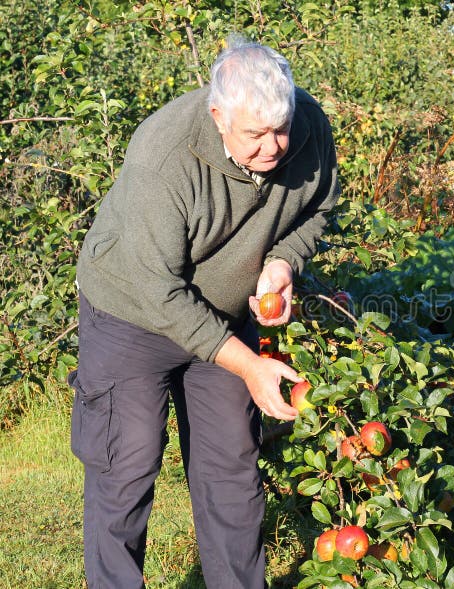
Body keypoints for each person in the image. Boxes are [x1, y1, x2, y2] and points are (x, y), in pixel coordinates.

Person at [69, 35, 339, 588]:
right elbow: (159, 292)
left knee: (232, 472)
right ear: (218, 116)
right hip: (133, 316)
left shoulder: (305, 125)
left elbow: (321, 207)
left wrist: (284, 263)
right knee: (126, 467)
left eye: (281, 128)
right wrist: (249, 364)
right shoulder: (164, 154)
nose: (275, 147)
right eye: (256, 134)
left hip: (223, 315)